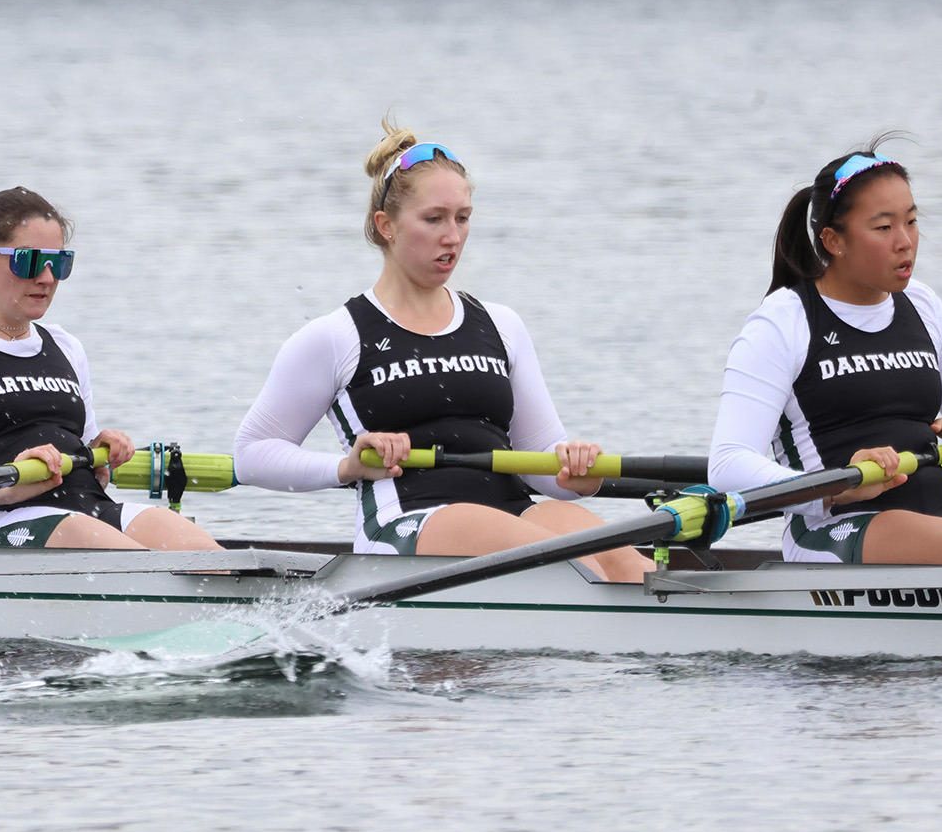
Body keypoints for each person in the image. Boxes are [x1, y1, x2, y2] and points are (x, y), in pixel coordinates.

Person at [232, 122, 651, 582]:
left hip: (514, 513)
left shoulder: (501, 325)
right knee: (571, 565)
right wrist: (346, 466)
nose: (452, 236)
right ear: (386, 226)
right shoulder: (337, 336)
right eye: (434, 219)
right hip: (406, 524)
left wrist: (577, 472)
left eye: (463, 217)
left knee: (625, 564)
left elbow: (543, 467)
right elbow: (251, 453)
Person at [706, 140, 942, 567]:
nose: (906, 242)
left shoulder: (921, 305)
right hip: (838, 524)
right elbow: (727, 466)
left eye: (911, 221)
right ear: (833, 241)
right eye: (884, 228)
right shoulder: (783, 322)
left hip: (940, 512)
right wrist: (833, 486)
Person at [0, 187, 220, 551]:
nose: (46, 277)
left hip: (91, 511)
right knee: (91, 538)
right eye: (29, 261)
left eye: (59, 262)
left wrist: (98, 457)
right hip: (1, 524)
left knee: (174, 530)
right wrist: (5, 489)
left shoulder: (66, 346)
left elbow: (84, 472)